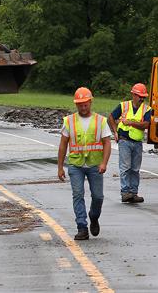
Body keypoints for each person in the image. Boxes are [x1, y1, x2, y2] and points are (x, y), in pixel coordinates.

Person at [57, 87, 112, 241]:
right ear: (76, 104)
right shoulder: (69, 121)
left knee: (98, 197)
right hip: (76, 165)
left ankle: (94, 216)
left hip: (96, 165)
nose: (83, 107)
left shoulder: (101, 121)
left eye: (85, 104)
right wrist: (60, 167)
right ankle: (82, 227)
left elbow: (107, 143)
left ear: (90, 102)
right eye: (80, 104)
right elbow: (63, 145)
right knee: (78, 195)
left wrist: (104, 163)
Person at [108, 83, 152, 203]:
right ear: (133, 95)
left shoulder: (146, 109)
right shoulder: (124, 106)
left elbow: (146, 124)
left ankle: (133, 193)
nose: (142, 99)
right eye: (140, 96)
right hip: (124, 140)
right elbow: (111, 117)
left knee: (135, 169)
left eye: (143, 97)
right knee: (125, 167)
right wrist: (115, 132)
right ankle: (125, 192)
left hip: (137, 142)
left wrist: (130, 123)